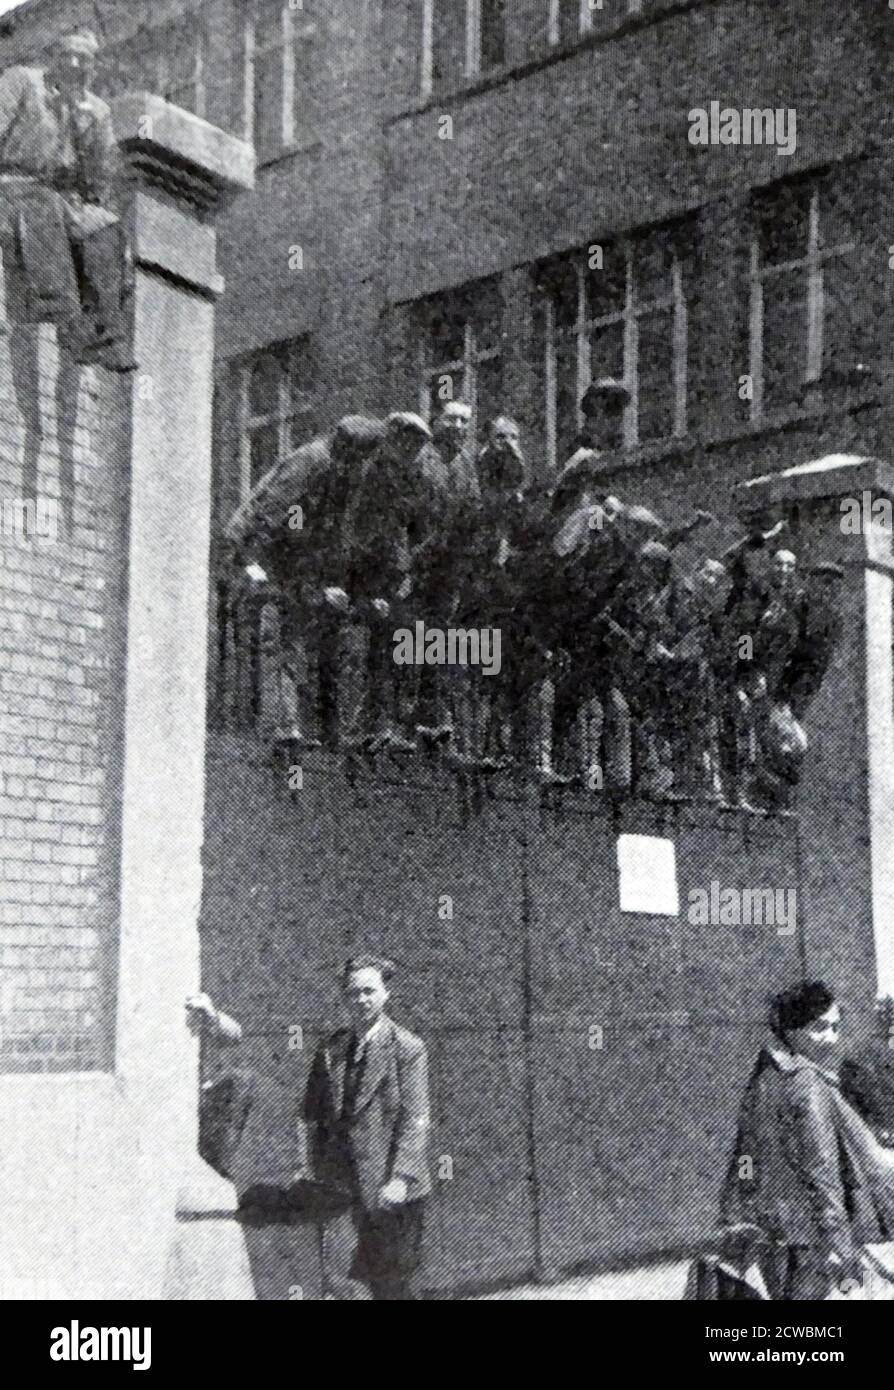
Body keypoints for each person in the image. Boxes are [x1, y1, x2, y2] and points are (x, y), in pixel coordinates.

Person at [719, 981, 894, 1300]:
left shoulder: (764, 1078)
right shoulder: (807, 1084)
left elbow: (745, 1159)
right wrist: (840, 1243)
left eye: (835, 1027)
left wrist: (738, 1215)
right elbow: (820, 1170)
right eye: (819, 1027)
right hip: (810, 1237)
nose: (831, 1038)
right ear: (791, 1029)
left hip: (771, 1230)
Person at [296, 955, 431, 1300]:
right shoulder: (331, 1050)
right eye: (353, 993)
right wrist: (307, 1169)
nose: (361, 1000)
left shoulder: (407, 1049)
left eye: (369, 991)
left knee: (392, 1283)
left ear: (387, 993)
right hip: (341, 1184)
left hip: (390, 1186)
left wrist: (400, 1179)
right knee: (341, 1278)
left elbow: (416, 1119)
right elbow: (310, 1116)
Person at [0, 27, 135, 371]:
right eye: (67, 56)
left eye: (84, 59)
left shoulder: (96, 111)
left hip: (64, 198)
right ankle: (70, 325)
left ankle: (107, 333)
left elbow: (104, 176)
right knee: (43, 208)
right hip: (15, 184)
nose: (74, 64)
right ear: (53, 59)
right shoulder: (22, 82)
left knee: (105, 228)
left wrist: (84, 124)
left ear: (93, 68)